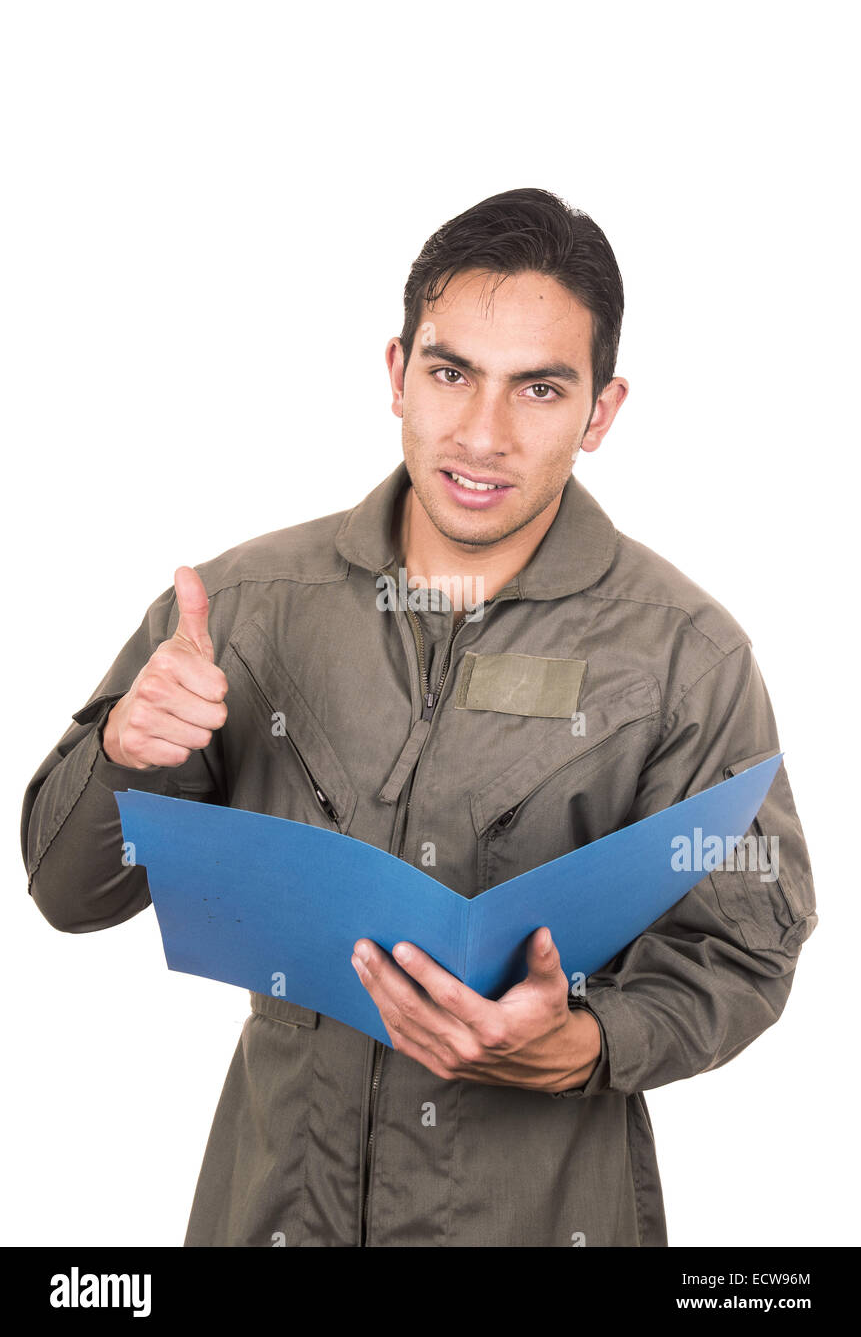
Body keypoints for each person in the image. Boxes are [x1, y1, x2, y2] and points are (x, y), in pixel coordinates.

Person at [21, 188, 817, 1247]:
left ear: (601, 412)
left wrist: (584, 1042)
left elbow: (744, 947)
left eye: (539, 388)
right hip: (268, 1214)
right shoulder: (240, 609)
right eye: (451, 373)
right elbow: (67, 893)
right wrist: (125, 755)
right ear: (397, 375)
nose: (482, 435)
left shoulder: (684, 656)